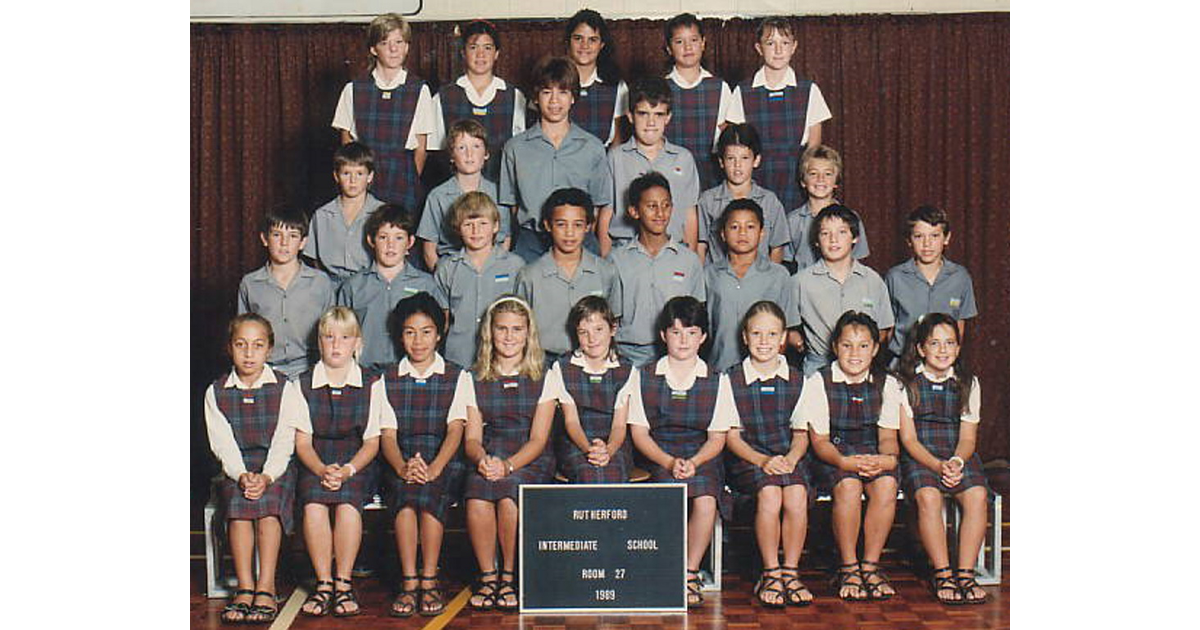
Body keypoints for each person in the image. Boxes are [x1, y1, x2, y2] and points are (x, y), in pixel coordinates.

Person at [627, 296, 734, 608]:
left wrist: (694, 461)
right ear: (663, 335)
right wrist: (669, 462)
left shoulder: (716, 379)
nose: (683, 340)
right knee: (664, 493)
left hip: (701, 455)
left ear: (703, 337)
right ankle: (664, 568)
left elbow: (717, 438)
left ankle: (689, 572)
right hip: (659, 454)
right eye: (675, 332)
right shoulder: (644, 376)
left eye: (691, 332)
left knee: (705, 498)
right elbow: (639, 433)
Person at [376, 293, 471, 616]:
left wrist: (434, 468)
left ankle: (429, 578)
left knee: (429, 492)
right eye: (410, 332)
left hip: (443, 458)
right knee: (405, 494)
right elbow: (387, 435)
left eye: (426, 331)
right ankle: (409, 580)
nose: (418, 341)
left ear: (440, 333)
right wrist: (403, 466)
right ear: (399, 335)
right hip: (400, 458)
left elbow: (456, 430)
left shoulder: (458, 376)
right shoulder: (385, 379)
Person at [460, 296, 557, 611]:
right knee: (476, 494)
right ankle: (488, 576)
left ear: (528, 333)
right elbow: (472, 438)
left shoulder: (545, 375)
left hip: (529, 455)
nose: (509, 336)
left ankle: (509, 576)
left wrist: (508, 466)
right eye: (502, 328)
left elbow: (539, 438)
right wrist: (482, 460)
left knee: (507, 494)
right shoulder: (472, 377)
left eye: (517, 329)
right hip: (492, 451)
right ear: (490, 332)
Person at [798, 311, 902, 601]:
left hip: (872, 452)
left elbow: (888, 438)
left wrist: (886, 460)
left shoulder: (887, 383)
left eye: (863, 346)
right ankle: (848, 567)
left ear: (875, 348)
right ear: (835, 347)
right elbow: (818, 440)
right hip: (834, 455)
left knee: (886, 485)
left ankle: (870, 565)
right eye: (847, 345)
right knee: (849, 485)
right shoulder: (819, 381)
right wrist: (844, 462)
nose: (855, 353)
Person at [204, 314, 300, 624]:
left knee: (268, 506)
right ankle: (245, 587)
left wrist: (267, 475)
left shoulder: (285, 387)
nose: (249, 353)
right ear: (229, 348)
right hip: (237, 469)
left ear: (269, 350)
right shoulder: (216, 391)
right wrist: (242, 475)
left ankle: (265, 586)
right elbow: (223, 444)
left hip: (276, 468)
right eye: (241, 345)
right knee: (238, 503)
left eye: (257, 346)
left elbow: (285, 440)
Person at [292, 307, 382, 617]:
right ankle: (324, 583)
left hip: (355, 461)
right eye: (329, 337)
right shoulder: (301, 384)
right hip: (315, 460)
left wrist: (347, 470)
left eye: (344, 338)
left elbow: (373, 442)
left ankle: (343, 583)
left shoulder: (372, 383)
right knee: (314, 505)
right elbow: (302, 442)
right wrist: (320, 469)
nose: (336, 345)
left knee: (347, 506)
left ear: (357, 343)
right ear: (319, 342)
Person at [896, 313, 990, 605]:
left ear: (958, 348)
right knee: (928, 496)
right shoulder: (904, 384)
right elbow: (908, 439)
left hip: (956, 453)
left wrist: (957, 462)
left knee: (977, 494)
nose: (942, 349)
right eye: (934, 343)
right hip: (921, 455)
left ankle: (965, 573)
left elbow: (967, 438)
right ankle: (943, 572)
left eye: (949, 343)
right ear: (921, 349)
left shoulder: (968, 383)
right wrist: (936, 465)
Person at [723, 301, 812, 608]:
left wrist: (792, 458)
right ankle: (771, 571)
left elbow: (802, 434)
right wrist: (762, 461)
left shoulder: (798, 379)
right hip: (749, 458)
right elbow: (731, 437)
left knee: (797, 493)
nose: (764, 341)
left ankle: (791, 571)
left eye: (772, 334)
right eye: (757, 334)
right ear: (745, 337)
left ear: (783, 338)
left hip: (788, 455)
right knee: (772, 494)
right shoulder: (731, 379)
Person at [499, 55, 612, 262]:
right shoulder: (515, 148)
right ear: (535, 97)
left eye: (562, 92)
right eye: (546, 92)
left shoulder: (593, 147)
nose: (554, 101)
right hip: (531, 242)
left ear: (573, 97)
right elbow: (510, 205)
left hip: (578, 240)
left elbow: (599, 203)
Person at [331, 13, 437, 211]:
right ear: (373, 49)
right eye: (385, 42)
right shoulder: (354, 89)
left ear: (406, 47)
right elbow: (347, 143)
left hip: (403, 177)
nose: (393, 49)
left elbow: (421, 149)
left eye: (399, 42)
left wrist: (410, 182)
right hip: (364, 179)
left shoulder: (419, 89)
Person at [733, 17, 832, 211]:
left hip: (795, 182)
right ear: (759, 48)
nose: (778, 50)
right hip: (756, 180)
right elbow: (737, 147)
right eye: (770, 43)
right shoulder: (742, 91)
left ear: (794, 47)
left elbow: (813, 149)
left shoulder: (809, 90)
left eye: (784, 43)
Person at [607, 173, 705, 367]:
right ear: (634, 211)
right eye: (652, 206)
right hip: (629, 354)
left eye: (666, 205)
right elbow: (611, 316)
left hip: (676, 353)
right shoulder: (617, 260)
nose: (660, 213)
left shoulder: (689, 260)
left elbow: (697, 316)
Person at [515, 188, 621, 365]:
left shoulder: (606, 271)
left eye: (578, 225)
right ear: (548, 225)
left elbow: (614, 320)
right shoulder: (530, 275)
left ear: (588, 226)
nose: (569, 233)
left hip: (592, 362)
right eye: (561, 224)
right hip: (542, 363)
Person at [600, 76, 700, 255]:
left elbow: (690, 215)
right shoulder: (616, 158)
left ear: (668, 117)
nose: (651, 123)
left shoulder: (683, 158)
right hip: (625, 252)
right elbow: (606, 213)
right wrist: (605, 262)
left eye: (658, 114)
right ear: (630, 116)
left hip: (673, 251)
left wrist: (690, 261)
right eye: (643, 114)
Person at [791, 204, 893, 376]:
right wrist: (800, 343)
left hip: (861, 368)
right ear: (816, 240)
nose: (833, 239)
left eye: (842, 232)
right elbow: (786, 326)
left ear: (855, 238)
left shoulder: (873, 280)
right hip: (817, 369)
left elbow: (884, 329)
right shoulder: (800, 282)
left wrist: (859, 350)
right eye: (825, 233)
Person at [546, 296, 638, 482]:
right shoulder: (563, 367)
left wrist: (608, 450)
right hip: (576, 440)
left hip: (614, 441)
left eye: (598, 330)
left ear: (612, 329)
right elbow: (571, 422)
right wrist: (590, 449)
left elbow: (619, 425)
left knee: (613, 472)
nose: (592, 338)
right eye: (583, 332)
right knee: (587, 473)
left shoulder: (626, 369)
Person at [336, 204, 436, 372]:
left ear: (410, 242)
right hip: (364, 372)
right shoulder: (353, 286)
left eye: (399, 238)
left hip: (410, 372)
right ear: (371, 240)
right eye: (383, 237)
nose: (391, 245)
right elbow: (341, 333)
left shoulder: (426, 284)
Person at [237, 207, 335, 378]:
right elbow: (242, 334)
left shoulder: (320, 282)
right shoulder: (250, 284)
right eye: (276, 235)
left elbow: (332, 332)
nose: (284, 242)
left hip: (310, 369)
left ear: (303, 242)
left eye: (293, 236)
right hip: (266, 371)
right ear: (264, 238)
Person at [433, 191, 525, 368]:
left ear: (496, 225)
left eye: (483, 223)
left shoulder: (515, 265)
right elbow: (442, 321)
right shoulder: (447, 268)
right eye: (468, 224)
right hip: (458, 358)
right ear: (458, 228)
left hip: (502, 359)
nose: (476, 231)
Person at [704, 199, 797, 373]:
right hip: (719, 369)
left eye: (750, 227)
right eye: (734, 227)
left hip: (764, 371)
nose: (742, 233)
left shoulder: (779, 275)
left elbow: (786, 331)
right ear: (723, 234)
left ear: (762, 233)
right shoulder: (709, 275)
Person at [430, 19, 525, 183]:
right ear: (463, 52)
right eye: (473, 47)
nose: (480, 54)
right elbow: (436, 153)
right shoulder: (444, 97)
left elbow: (519, 153)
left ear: (496, 54)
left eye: (487, 48)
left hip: (499, 190)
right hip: (457, 194)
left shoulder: (514, 96)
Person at [884, 205, 978, 364]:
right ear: (909, 240)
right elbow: (888, 327)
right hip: (903, 364)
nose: (927, 244)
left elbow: (959, 327)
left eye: (934, 236)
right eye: (919, 236)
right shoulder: (895, 277)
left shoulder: (960, 277)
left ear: (946, 238)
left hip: (943, 362)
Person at [662, 12, 744, 190]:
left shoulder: (719, 87)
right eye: (679, 42)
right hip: (668, 173)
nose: (687, 47)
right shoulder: (661, 88)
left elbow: (728, 138)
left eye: (693, 40)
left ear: (703, 43)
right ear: (669, 48)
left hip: (711, 174)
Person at [418, 119, 508, 270]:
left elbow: (505, 239)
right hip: (451, 269)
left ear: (486, 153)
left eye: (476, 146)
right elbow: (429, 249)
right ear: (452, 156)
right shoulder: (438, 196)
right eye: (461, 148)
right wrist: (443, 279)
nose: (469, 154)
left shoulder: (498, 193)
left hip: (489, 267)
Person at [697, 123, 789, 266]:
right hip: (718, 283)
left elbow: (777, 248)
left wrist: (769, 281)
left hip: (760, 282)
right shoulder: (707, 201)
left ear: (756, 160)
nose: (737, 165)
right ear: (721, 161)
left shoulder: (770, 201)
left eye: (744, 158)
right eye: (731, 158)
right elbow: (700, 246)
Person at [303, 142, 386, 282]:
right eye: (346, 173)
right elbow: (314, 260)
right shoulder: (322, 215)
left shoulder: (382, 213)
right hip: (330, 284)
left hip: (368, 284)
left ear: (370, 176)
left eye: (360, 173)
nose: (353, 180)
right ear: (336, 176)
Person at [785, 145, 869, 271]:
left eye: (828, 174)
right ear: (803, 181)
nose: (820, 179)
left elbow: (858, 259)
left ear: (836, 181)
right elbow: (786, 261)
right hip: (805, 287)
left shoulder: (851, 218)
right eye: (813, 173)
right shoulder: (792, 221)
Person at [563, 9, 628, 146]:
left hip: (601, 161)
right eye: (578, 38)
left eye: (592, 39)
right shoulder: (553, 81)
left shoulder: (617, 86)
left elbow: (618, 139)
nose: (584, 46)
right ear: (568, 41)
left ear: (602, 45)